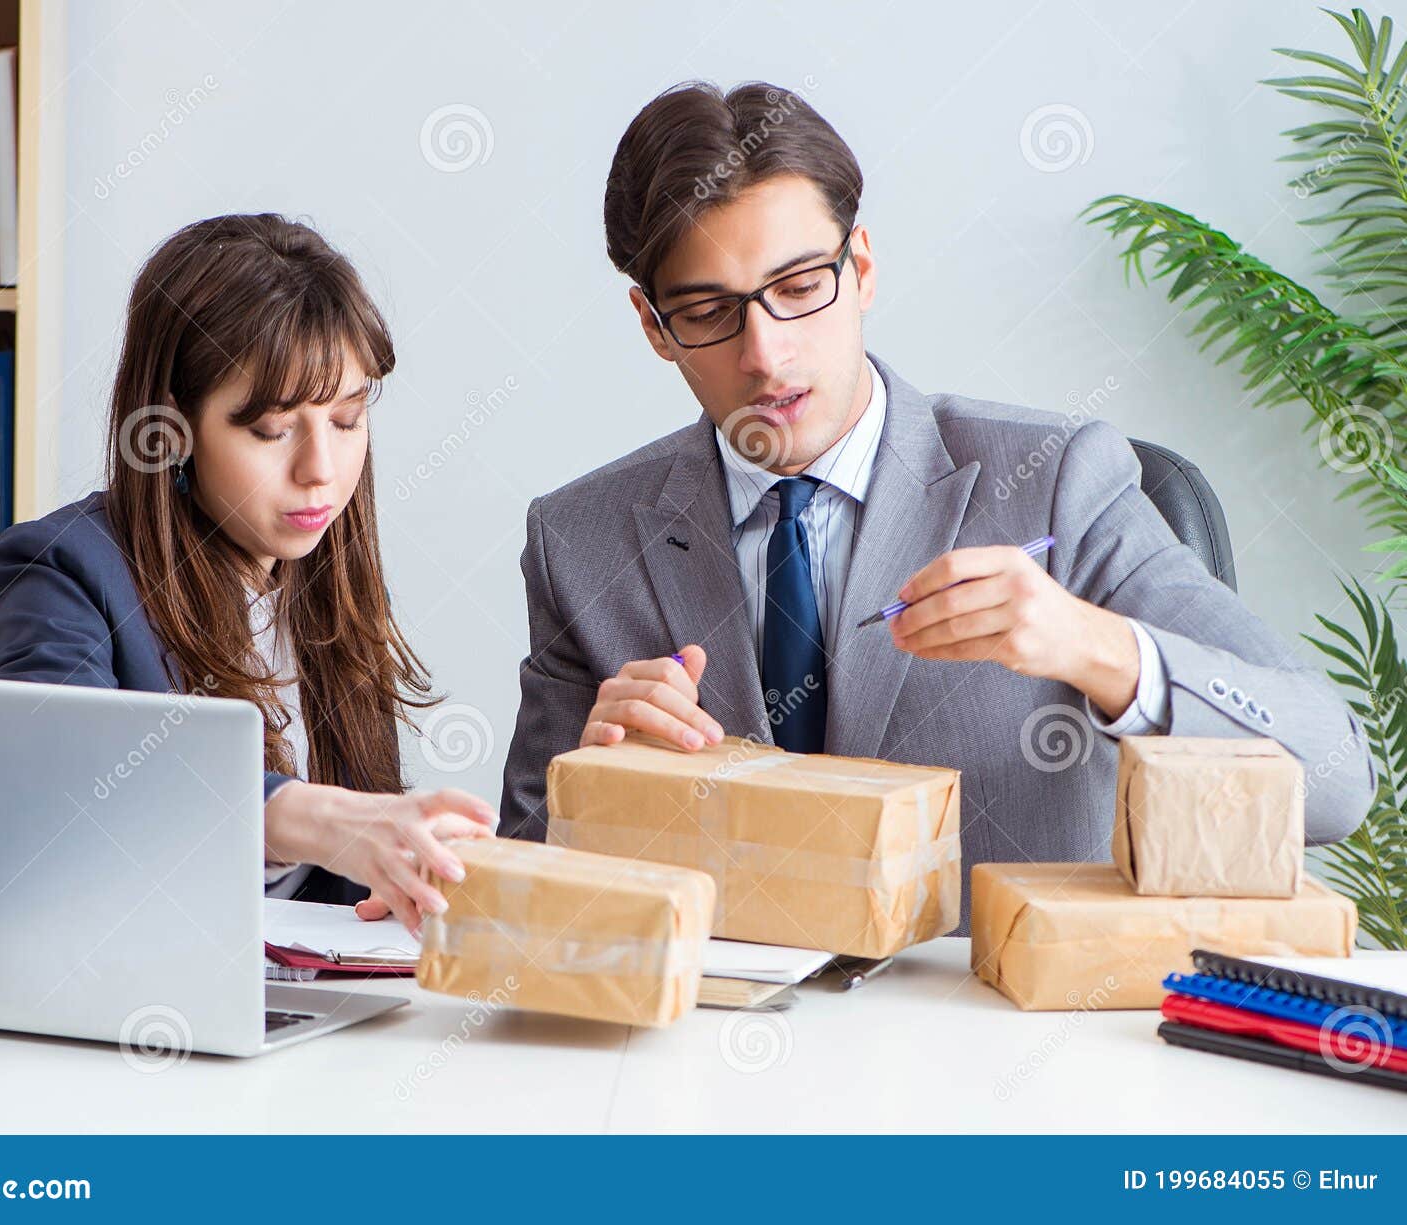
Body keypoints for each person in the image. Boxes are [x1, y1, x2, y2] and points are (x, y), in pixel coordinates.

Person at [498, 81, 1374, 933]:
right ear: (655, 327)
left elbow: (1335, 777)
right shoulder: (580, 539)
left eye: (801, 287)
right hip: (704, 1049)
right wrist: (593, 784)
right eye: (709, 312)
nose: (765, 355)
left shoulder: (1060, 479)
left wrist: (1097, 646)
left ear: (862, 268)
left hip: (999, 1038)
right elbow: (524, 890)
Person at [0, 213, 493, 936]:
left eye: (346, 420)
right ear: (174, 430)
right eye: (272, 431)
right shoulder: (61, 569)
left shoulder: (317, 569)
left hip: (315, 995)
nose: (321, 469)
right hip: (140, 993)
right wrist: (297, 816)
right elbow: (67, 792)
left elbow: (344, 887)